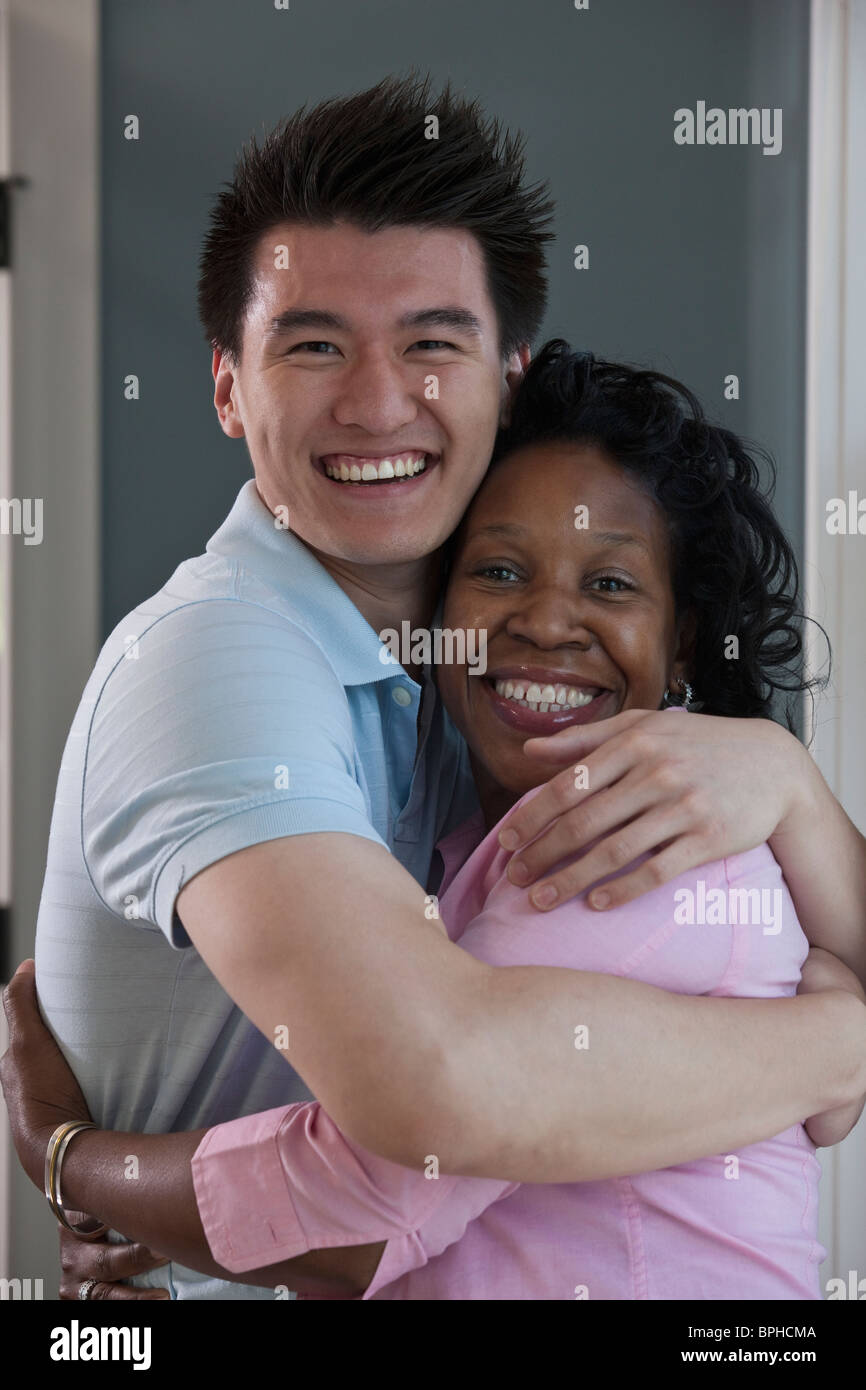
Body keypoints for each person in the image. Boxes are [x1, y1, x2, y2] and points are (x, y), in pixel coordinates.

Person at [2, 76, 866, 1302]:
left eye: (430, 341)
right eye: (312, 343)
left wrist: (786, 784)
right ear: (226, 386)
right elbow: (433, 1099)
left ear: (501, 378)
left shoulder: (480, 695)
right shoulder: (219, 666)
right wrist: (835, 1044)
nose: (373, 401)